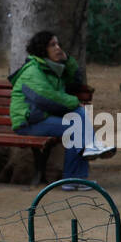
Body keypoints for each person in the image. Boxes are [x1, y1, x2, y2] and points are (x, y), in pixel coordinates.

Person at [9, 31, 113, 190]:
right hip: (29, 121)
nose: (57, 48)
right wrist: (75, 102)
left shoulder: (53, 69)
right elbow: (45, 97)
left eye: (58, 44)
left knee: (78, 119)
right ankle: (78, 172)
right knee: (75, 126)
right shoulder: (32, 70)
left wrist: (67, 60)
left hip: (42, 117)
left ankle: (76, 174)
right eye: (52, 45)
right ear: (42, 49)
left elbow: (75, 81)